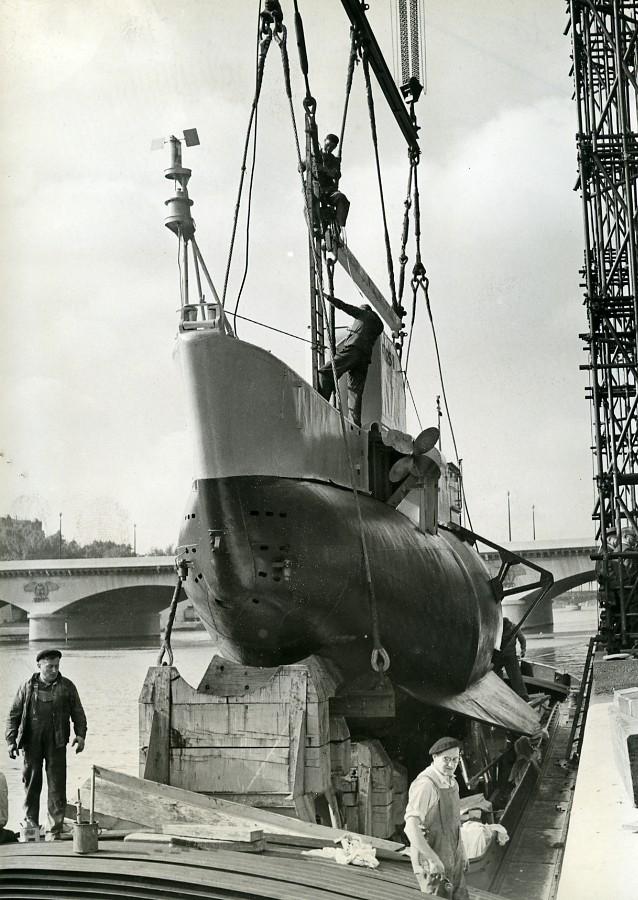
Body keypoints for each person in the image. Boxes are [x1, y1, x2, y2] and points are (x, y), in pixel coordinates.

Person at [5, 648, 87, 839]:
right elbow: (13, 715)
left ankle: (54, 831)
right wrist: (11, 741)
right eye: (50, 666)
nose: (54, 670)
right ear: (39, 665)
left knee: (57, 786)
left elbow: (78, 713)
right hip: (31, 742)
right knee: (32, 785)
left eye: (57, 666)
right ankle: (31, 828)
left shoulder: (67, 686)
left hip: (57, 742)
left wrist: (80, 736)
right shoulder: (26, 686)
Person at [404, 736, 469, 899]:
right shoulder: (426, 785)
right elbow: (410, 827)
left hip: (453, 857)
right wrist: (432, 860)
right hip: (433, 861)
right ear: (434, 757)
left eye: (455, 759)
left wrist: (462, 852)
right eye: (446, 759)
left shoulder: (452, 782)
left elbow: (454, 824)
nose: (451, 764)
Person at [317, 294, 383, 426]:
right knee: (355, 393)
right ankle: (355, 425)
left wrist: (328, 298)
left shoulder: (364, 314)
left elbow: (346, 307)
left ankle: (321, 406)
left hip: (354, 350)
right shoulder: (378, 325)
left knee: (326, 372)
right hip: (365, 359)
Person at [317, 133, 350, 228]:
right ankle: (315, 227)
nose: (328, 148)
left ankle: (339, 227)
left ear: (334, 148)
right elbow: (301, 166)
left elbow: (336, 174)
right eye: (327, 145)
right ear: (324, 141)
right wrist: (303, 164)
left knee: (341, 198)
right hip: (315, 191)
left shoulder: (334, 161)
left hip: (329, 192)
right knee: (308, 208)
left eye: (331, 147)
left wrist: (326, 170)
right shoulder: (314, 155)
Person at [493, 617, 529, 701]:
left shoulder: (514, 627)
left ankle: (523, 696)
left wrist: (523, 650)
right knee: (495, 675)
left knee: (516, 677)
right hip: (498, 655)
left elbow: (522, 639)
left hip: (510, 656)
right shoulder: (497, 627)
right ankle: (499, 694)